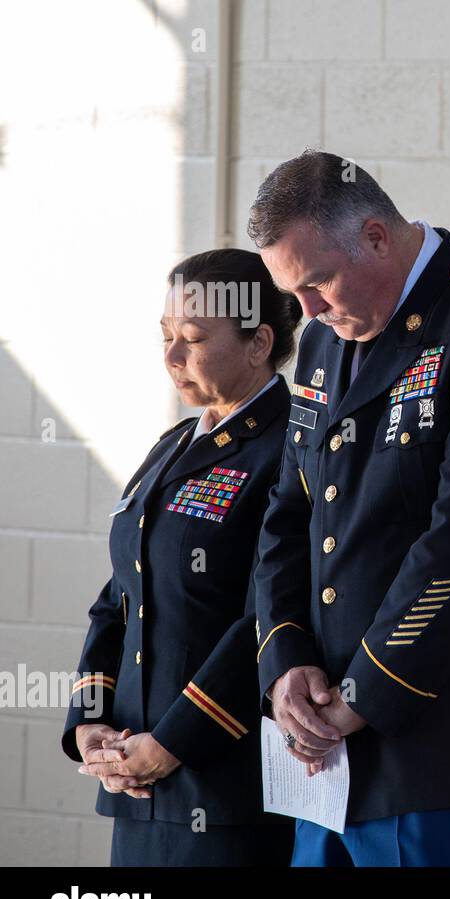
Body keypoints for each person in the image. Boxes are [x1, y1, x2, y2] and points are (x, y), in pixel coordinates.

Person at [250, 149, 450, 867]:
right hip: (327, 760)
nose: (308, 310)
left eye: (317, 283)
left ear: (375, 236)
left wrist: (360, 695)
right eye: (294, 293)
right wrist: (285, 661)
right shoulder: (320, 345)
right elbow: (288, 517)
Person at [63, 249, 301, 866]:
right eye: (166, 337)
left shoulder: (292, 446)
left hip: (224, 788)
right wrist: (92, 725)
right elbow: (118, 596)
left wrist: (173, 740)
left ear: (258, 343)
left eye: (193, 339)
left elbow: (268, 615)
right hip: (137, 783)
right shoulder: (173, 445)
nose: (172, 358)